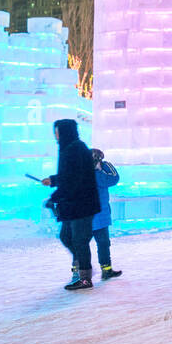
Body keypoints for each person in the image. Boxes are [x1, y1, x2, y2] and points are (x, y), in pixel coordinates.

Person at [42, 118, 100, 291]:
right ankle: (83, 267)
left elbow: (72, 181)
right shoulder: (70, 148)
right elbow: (68, 176)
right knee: (67, 237)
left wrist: (54, 197)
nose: (55, 135)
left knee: (79, 240)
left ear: (65, 132)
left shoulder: (74, 149)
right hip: (74, 206)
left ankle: (84, 278)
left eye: (57, 132)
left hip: (82, 205)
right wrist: (53, 180)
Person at [90, 148, 122, 280]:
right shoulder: (81, 168)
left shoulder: (105, 166)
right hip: (86, 213)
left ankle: (106, 269)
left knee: (103, 243)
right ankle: (81, 271)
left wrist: (98, 170)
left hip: (100, 214)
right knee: (82, 244)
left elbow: (113, 179)